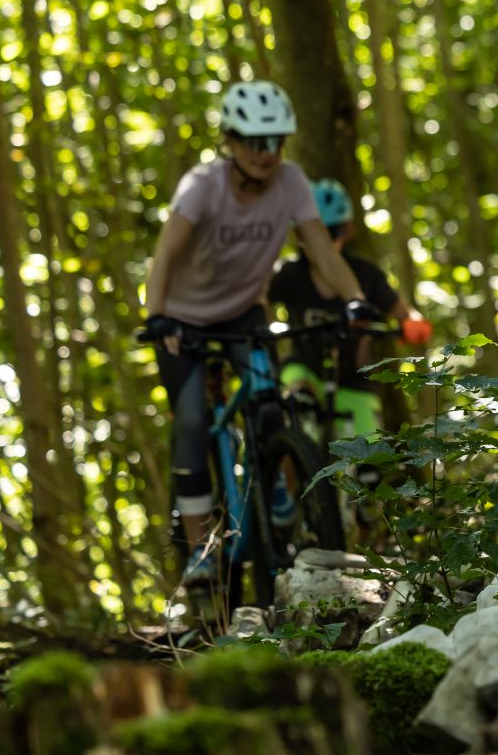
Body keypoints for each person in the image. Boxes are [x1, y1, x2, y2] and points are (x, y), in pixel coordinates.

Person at [141, 81, 368, 588]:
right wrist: (157, 318)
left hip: (245, 312)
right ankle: (201, 552)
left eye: (276, 142)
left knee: (271, 405)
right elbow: (165, 255)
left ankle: (278, 485)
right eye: (254, 142)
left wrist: (353, 299)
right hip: (184, 318)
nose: (266, 154)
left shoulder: (292, 182)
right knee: (195, 421)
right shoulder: (202, 185)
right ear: (231, 140)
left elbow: (323, 255)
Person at [268, 177, 432, 445]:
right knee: (296, 420)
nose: (322, 243)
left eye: (331, 233)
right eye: (311, 234)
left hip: (355, 382)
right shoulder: (290, 274)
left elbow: (402, 311)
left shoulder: (365, 275)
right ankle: (288, 480)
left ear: (346, 231)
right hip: (304, 371)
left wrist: (413, 323)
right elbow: (260, 299)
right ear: (299, 234)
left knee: (370, 449)